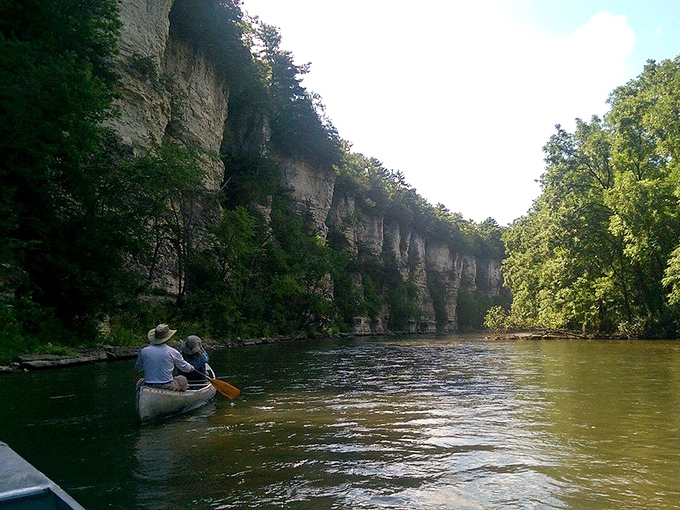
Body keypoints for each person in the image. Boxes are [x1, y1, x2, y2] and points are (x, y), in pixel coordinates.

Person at [135, 323, 194, 391]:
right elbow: (185, 368)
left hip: (148, 384)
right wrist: (191, 368)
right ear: (168, 338)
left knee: (140, 381)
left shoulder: (144, 351)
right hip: (167, 386)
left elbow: (138, 368)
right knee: (182, 379)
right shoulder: (173, 352)